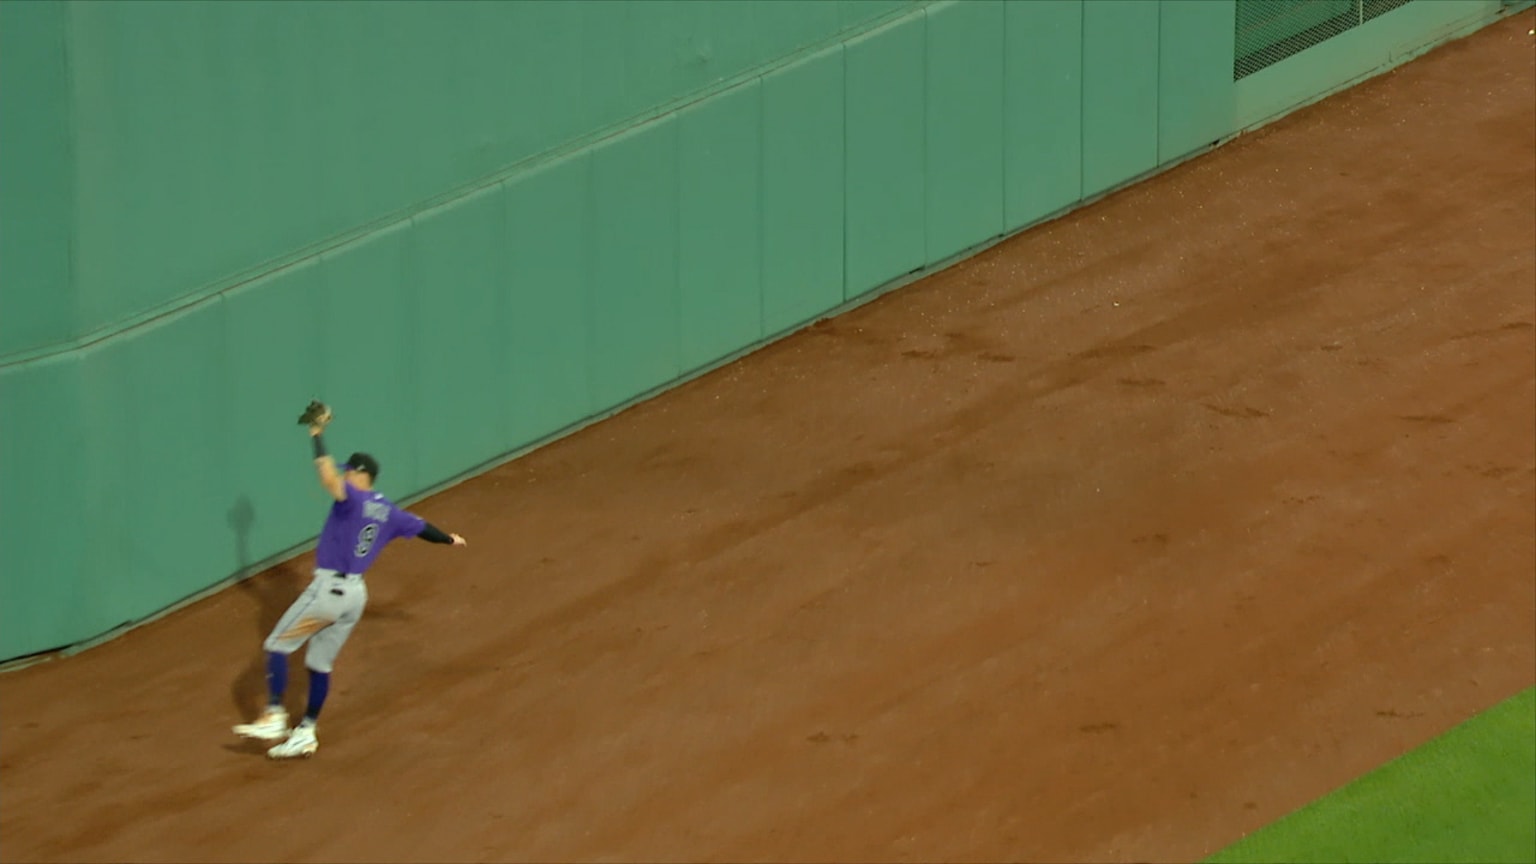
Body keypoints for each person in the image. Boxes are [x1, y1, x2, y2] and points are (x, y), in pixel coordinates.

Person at [233, 404, 467, 759]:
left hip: (328, 593)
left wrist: (317, 436)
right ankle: (306, 732)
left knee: (278, 646)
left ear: (360, 475)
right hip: (354, 597)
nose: (344, 475)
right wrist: (449, 539)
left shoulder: (353, 498)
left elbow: (328, 478)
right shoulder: (390, 511)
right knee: (319, 665)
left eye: (348, 471)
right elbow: (424, 529)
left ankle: (275, 715)